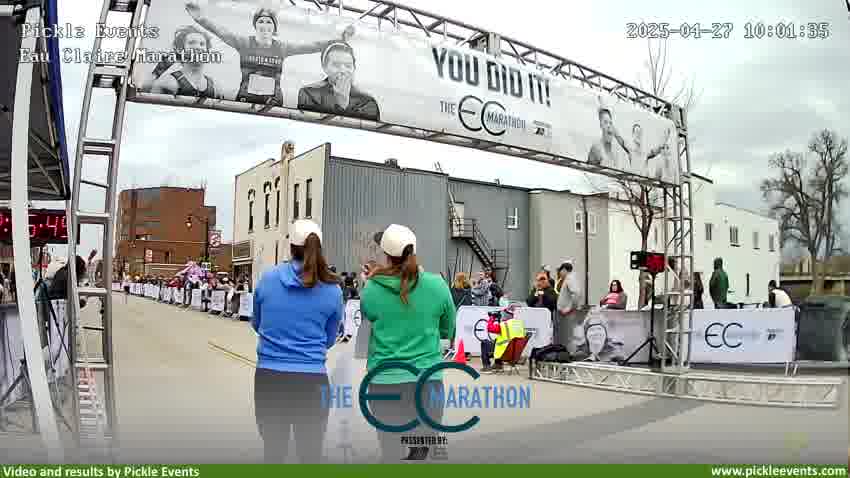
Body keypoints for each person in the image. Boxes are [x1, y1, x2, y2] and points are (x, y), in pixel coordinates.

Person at [360, 224, 455, 463]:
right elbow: (448, 330)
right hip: (427, 381)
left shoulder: (371, 289)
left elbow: (364, 335)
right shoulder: (437, 286)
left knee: (391, 452)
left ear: (386, 255)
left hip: (385, 382)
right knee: (422, 453)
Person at [251, 219, 342, 464]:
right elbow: (330, 337)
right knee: (310, 454)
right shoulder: (333, 289)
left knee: (273, 451)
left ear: (290, 246)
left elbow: (257, 324)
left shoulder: (268, 280)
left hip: (270, 376)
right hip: (311, 379)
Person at [186, 2, 355, 106]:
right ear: (256, 25)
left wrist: (340, 38)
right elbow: (221, 31)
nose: (265, 24)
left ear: (274, 28)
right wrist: (200, 18)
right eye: (261, 21)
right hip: (246, 98)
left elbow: (312, 46)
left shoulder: (282, 47)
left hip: (273, 101)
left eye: (269, 21)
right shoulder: (244, 43)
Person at [297, 42, 380, 121]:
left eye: (348, 66)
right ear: (325, 67)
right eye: (336, 65)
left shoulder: (367, 101)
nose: (343, 70)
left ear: (354, 68)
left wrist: (343, 104)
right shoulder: (309, 93)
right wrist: (340, 105)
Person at [146, 25, 219, 99]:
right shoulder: (167, 82)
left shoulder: (215, 86)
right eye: (191, 43)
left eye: (202, 44)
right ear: (180, 50)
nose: (198, 47)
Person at [587, 105, 627, 171]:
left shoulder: (616, 149)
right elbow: (588, 171)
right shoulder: (596, 147)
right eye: (605, 122)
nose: (609, 126)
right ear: (601, 125)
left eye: (610, 123)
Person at [557, 260, 585, 347]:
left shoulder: (570, 278)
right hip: (566, 312)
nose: (559, 273)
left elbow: (576, 294)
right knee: (566, 335)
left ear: (564, 270)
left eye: (560, 271)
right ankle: (567, 353)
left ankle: (569, 354)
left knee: (568, 336)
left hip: (568, 313)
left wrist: (569, 308)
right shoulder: (569, 278)